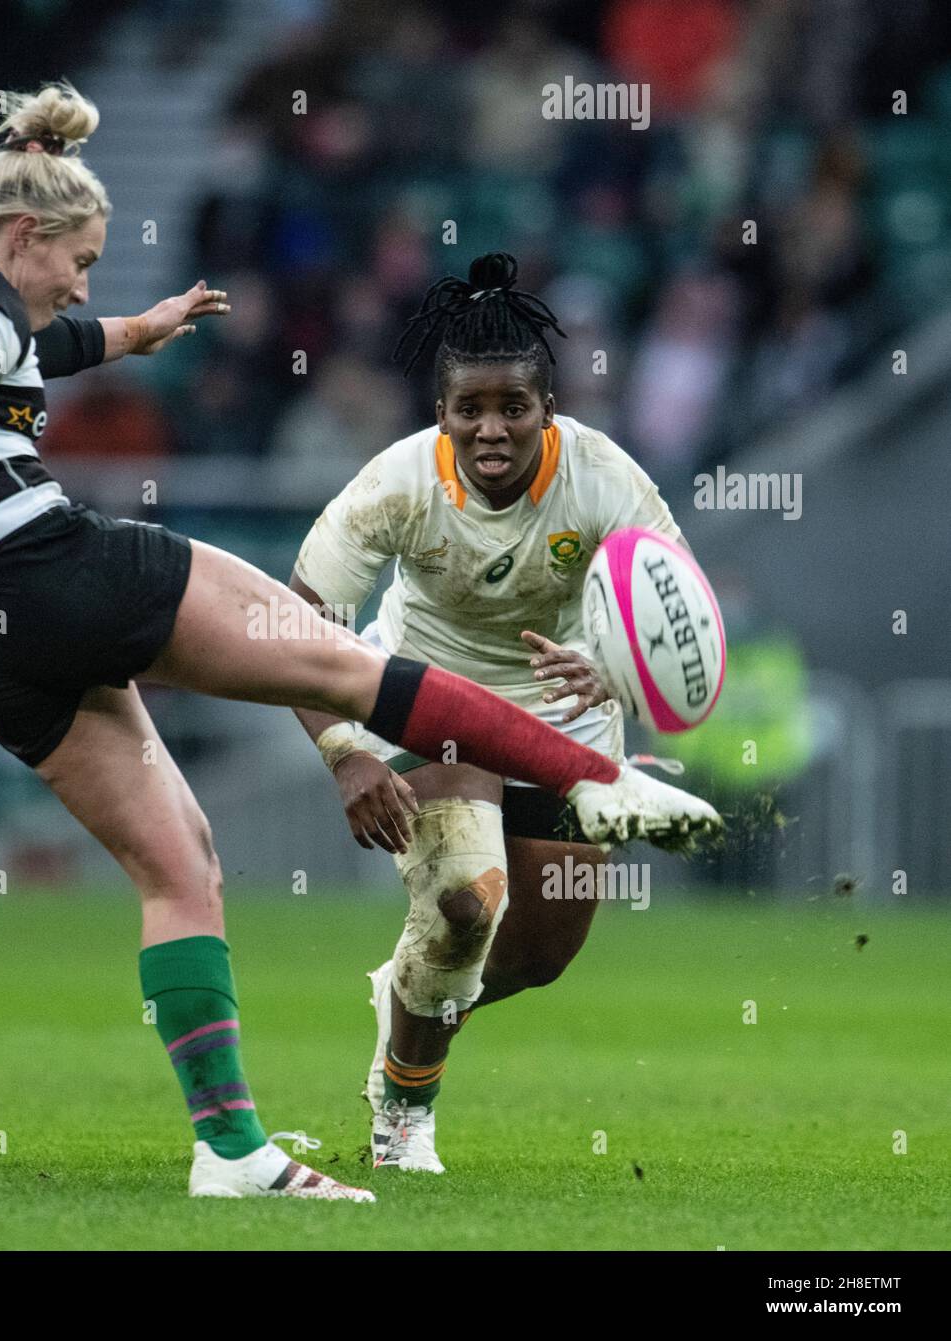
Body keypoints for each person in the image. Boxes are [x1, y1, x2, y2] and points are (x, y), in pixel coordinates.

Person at [0, 85, 720, 1203]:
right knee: (335, 662)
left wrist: (130, 331)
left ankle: (231, 1151)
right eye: (79, 258)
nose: (81, 282)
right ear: (20, 233)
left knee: (180, 866)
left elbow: (11, 344)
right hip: (47, 564)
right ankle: (592, 782)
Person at [287, 252, 709, 1174]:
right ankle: (403, 1114)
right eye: (468, 407)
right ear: (440, 412)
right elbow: (301, 621)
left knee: (538, 953)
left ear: (546, 411)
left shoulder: (603, 478)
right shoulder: (397, 484)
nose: (491, 427)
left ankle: (409, 997)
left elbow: (677, 607)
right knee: (467, 900)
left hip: (564, 714)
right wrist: (347, 753)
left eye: (512, 407)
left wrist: (614, 674)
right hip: (427, 697)